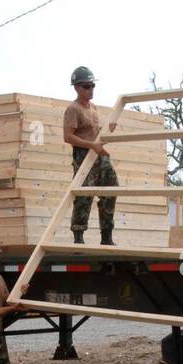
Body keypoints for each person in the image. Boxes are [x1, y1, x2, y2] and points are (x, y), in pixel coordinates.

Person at [64, 66, 119, 245]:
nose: (91, 89)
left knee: (110, 190)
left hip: (99, 154)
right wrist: (91, 145)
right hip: (84, 156)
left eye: (92, 85)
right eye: (87, 86)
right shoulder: (73, 109)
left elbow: (96, 132)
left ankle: (106, 235)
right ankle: (79, 238)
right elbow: (68, 136)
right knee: (83, 196)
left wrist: (108, 130)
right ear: (77, 88)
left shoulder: (93, 107)